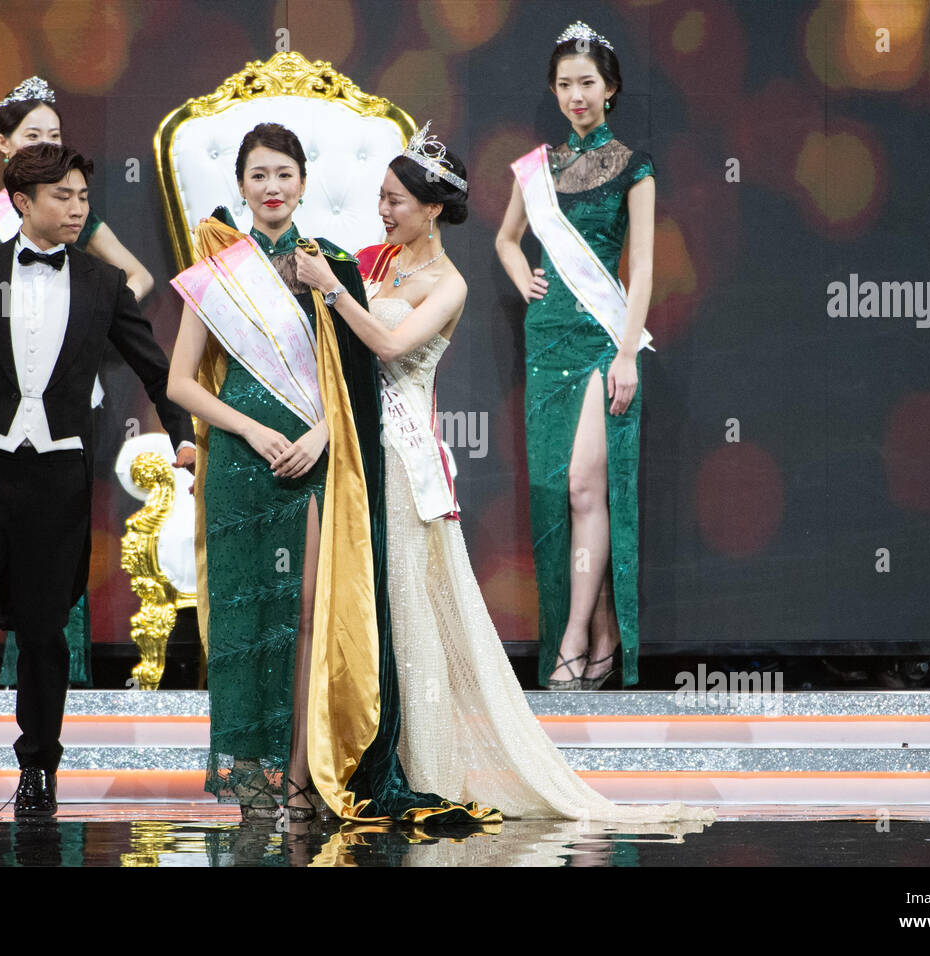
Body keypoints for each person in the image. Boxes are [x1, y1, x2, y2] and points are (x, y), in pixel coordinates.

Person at [293, 125, 713, 824]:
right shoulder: (374, 262)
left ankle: (410, 762)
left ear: (432, 209)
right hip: (357, 454)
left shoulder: (449, 284)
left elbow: (392, 345)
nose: (383, 211)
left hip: (401, 461)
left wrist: (334, 292)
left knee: (405, 608)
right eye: (380, 198)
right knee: (357, 609)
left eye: (395, 200)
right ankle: (349, 755)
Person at [167, 123, 496, 826]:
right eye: (258, 176)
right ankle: (251, 777)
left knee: (311, 612)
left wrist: (321, 435)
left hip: (320, 458)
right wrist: (252, 429)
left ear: (304, 183)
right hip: (239, 456)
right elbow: (180, 383)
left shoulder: (338, 267)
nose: (272, 188)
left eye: (284, 174)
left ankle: (302, 773)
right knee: (244, 616)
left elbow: (355, 373)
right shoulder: (219, 275)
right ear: (242, 185)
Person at [0, 144, 195, 818]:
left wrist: (186, 435)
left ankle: (38, 772)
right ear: (23, 202)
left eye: (83, 197)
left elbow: (154, 369)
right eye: (63, 197)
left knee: (46, 630)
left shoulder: (103, 284)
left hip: (57, 478)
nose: (78, 208)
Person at [0, 76, 156, 688]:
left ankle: (63, 676)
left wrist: (81, 339)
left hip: (69, 401)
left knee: (64, 536)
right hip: (1, 408)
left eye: (53, 136)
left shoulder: (78, 212)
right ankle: (7, 687)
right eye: (30, 137)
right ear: (3, 145)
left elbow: (136, 278)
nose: (42, 144)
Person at [496, 22, 656, 690]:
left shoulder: (634, 167)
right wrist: (519, 274)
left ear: (610, 88)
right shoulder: (539, 169)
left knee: (588, 485)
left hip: (602, 339)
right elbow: (506, 239)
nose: (575, 95)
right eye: (564, 84)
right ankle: (599, 632)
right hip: (548, 337)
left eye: (587, 83)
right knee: (558, 492)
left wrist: (626, 352)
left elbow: (643, 265)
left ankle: (573, 634)